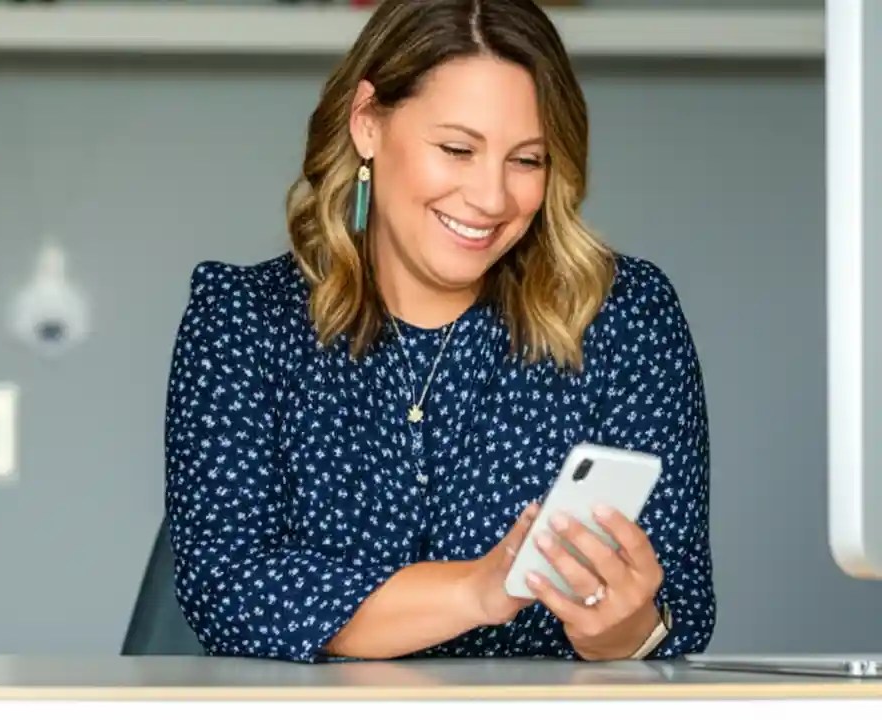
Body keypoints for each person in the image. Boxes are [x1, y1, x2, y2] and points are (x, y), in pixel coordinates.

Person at [162, 0, 715, 664]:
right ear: (367, 122)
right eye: (457, 149)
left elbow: (682, 608)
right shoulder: (244, 323)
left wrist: (620, 632)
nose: (491, 198)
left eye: (527, 160)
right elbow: (230, 591)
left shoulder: (623, 317)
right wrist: (479, 591)